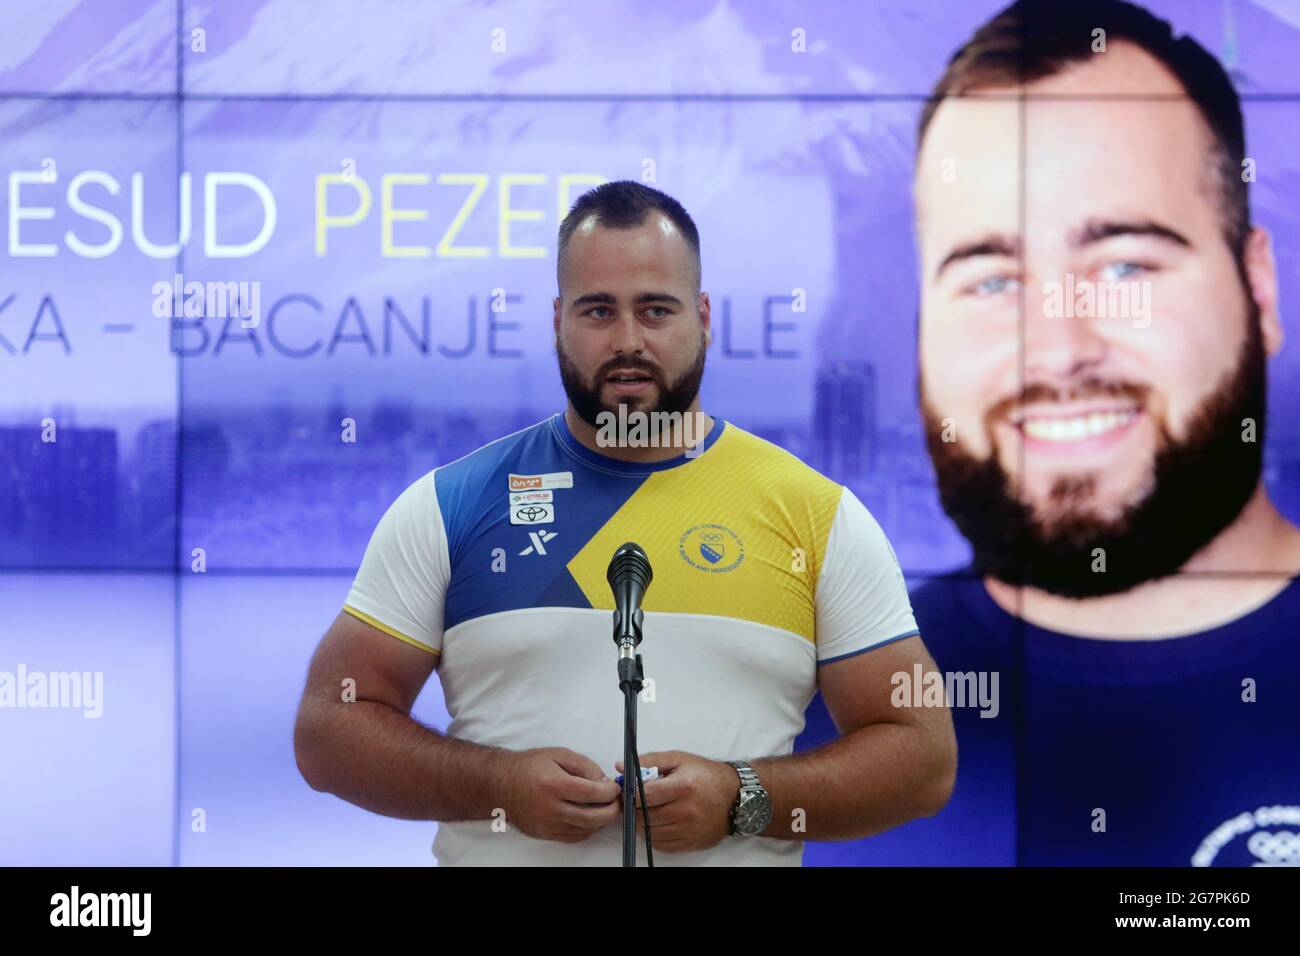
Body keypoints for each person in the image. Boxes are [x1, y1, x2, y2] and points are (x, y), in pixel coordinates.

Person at [294, 180, 955, 866]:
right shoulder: (451, 504)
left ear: (702, 316)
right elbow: (329, 728)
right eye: (599, 311)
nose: (629, 340)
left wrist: (742, 796)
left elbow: (922, 757)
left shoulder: (816, 516)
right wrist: (498, 786)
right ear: (558, 320)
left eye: (656, 310)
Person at [802, 0, 1300, 867]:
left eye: (1124, 266)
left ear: (1259, 291)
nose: (1059, 348)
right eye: (991, 281)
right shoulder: (786, 738)